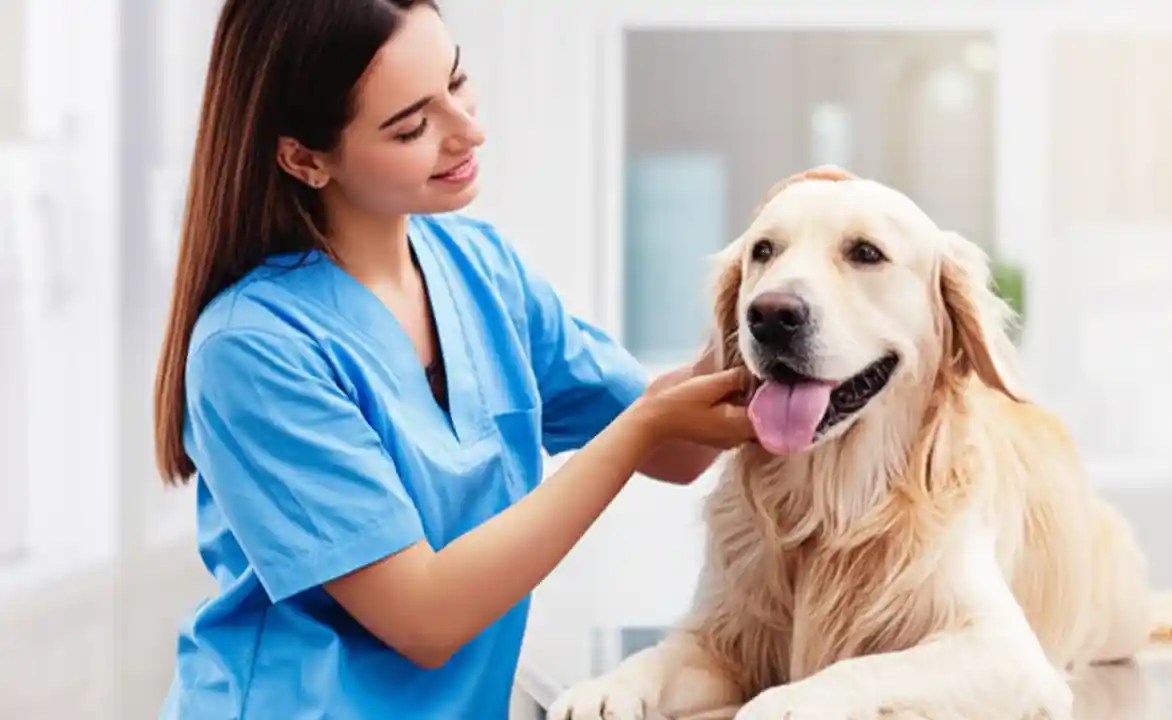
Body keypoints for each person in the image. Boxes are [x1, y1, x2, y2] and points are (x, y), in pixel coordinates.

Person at [151, 1, 755, 718]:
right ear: (305, 158)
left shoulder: (481, 268)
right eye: (412, 126)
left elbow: (683, 446)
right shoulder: (252, 350)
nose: (469, 131)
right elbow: (425, 619)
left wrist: (767, 274)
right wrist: (637, 433)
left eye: (457, 82)